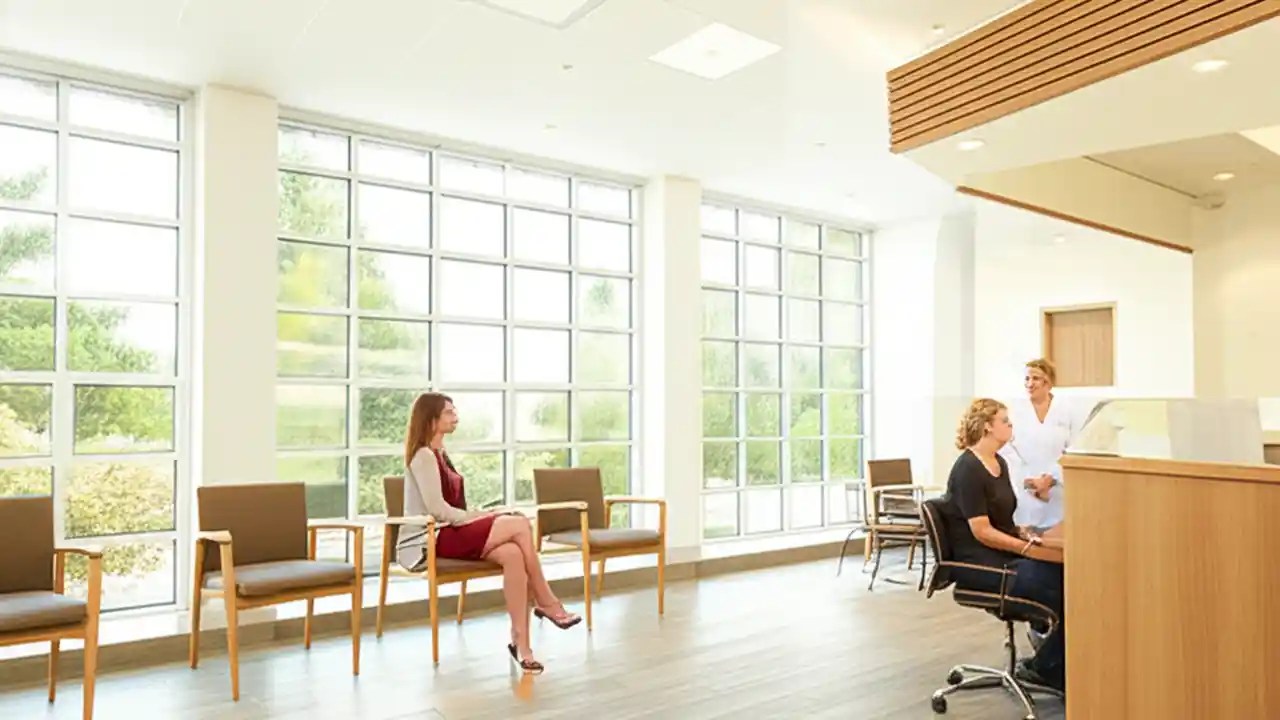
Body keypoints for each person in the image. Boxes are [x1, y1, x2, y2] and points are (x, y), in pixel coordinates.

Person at [397, 392, 580, 673]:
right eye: (449, 412)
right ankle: (546, 601)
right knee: (519, 523)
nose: (456, 416)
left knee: (513, 554)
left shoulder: (440, 454)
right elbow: (437, 510)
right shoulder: (423, 456)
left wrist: (481, 514)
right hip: (429, 539)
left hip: (449, 532)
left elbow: (453, 508)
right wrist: (479, 517)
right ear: (431, 419)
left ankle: (522, 644)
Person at [939, 398, 1066, 692]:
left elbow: (1001, 520)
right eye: (1005, 421)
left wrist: (1023, 533)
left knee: (1066, 578)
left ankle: (1049, 661)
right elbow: (982, 531)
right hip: (979, 564)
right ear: (987, 427)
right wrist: (1025, 549)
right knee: (1059, 585)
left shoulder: (1000, 464)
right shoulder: (967, 468)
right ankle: (1046, 667)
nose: (1010, 426)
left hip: (1002, 558)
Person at [1000, 358, 1086, 532]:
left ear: (1048, 382)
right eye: (1027, 379)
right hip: (1025, 487)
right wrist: (1029, 480)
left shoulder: (1066, 409)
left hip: (1058, 486)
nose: (1030, 384)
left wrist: (1051, 478)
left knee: (1057, 535)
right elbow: (1006, 447)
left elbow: (1075, 447)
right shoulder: (1015, 410)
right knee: (1028, 535)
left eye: (1036, 378)